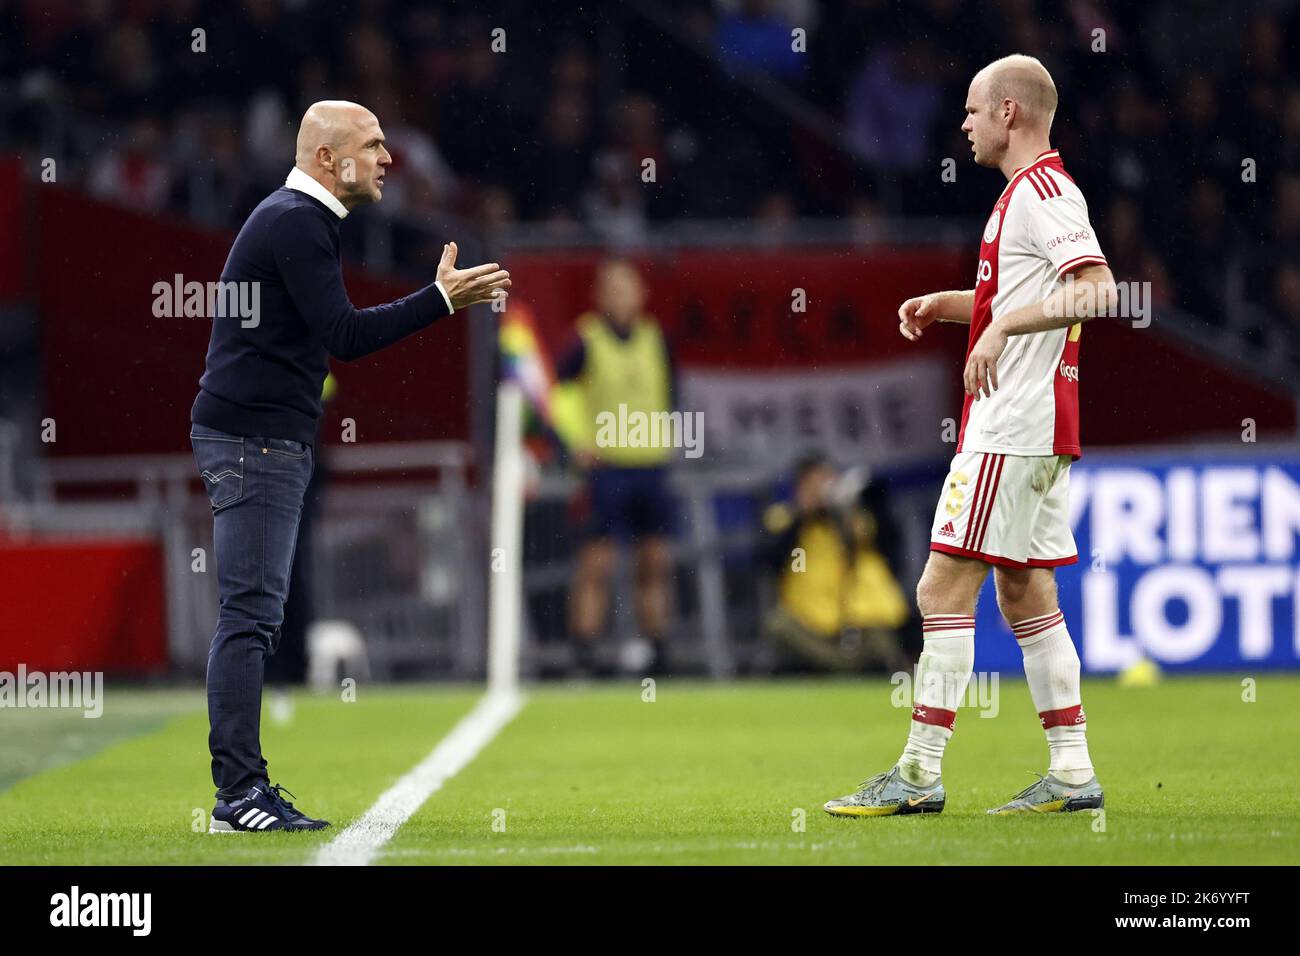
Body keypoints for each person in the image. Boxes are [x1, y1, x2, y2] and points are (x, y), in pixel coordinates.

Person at [190, 101, 509, 832]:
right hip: (253, 439)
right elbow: (345, 335)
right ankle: (237, 793)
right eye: (373, 145)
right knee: (249, 617)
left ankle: (243, 788)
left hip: (262, 436)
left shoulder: (300, 219)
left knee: (255, 617)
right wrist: (439, 300)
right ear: (329, 159)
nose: (389, 158)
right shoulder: (298, 220)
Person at [823, 55, 1118, 818]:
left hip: (1011, 426)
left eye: (973, 109)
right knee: (1026, 594)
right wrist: (955, 306)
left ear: (1009, 112)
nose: (964, 123)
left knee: (940, 588)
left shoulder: (1043, 192)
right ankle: (1072, 772)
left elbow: (1097, 290)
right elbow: (1019, 296)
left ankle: (918, 775)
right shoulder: (1022, 196)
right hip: (1035, 426)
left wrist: (1001, 329)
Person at [552, 259, 676, 675]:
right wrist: (576, 443)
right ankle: (585, 654)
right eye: (613, 289)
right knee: (597, 564)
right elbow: (559, 395)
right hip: (607, 471)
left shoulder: (657, 339)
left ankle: (658, 652)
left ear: (642, 293)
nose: (621, 297)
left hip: (651, 467)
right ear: (600, 296)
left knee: (654, 562)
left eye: (628, 288)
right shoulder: (586, 340)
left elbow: (671, 394)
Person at [760, 452, 911, 673]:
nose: (822, 490)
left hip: (863, 617)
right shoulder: (784, 517)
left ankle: (876, 670)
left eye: (827, 481)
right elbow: (769, 560)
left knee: (885, 648)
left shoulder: (856, 517)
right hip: (809, 618)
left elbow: (889, 544)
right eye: (814, 484)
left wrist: (848, 505)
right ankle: (836, 671)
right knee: (779, 625)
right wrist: (804, 513)